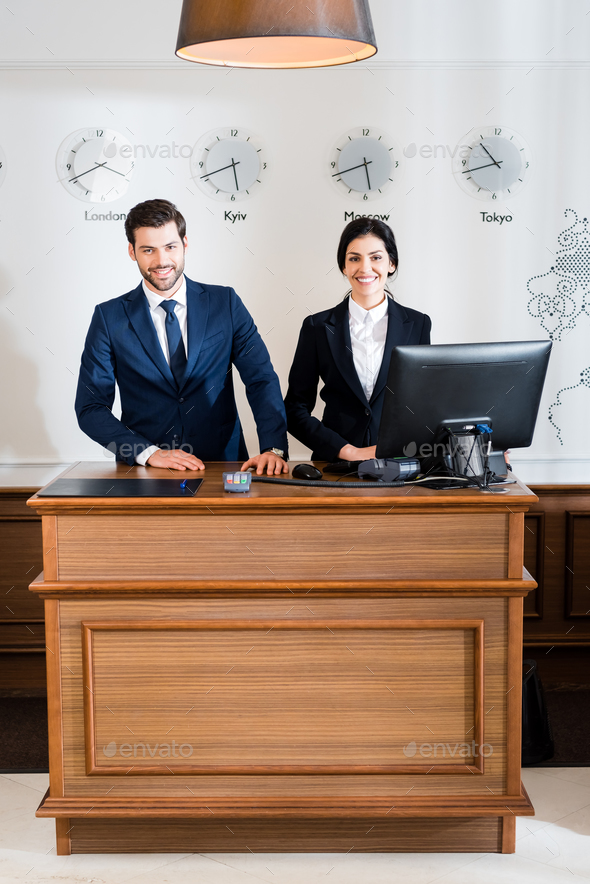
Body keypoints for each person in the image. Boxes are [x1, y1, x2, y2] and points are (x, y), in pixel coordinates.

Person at [75, 199, 288, 474]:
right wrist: (148, 453)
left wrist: (273, 448)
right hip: (146, 472)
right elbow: (91, 407)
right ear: (132, 251)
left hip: (224, 465)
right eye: (148, 250)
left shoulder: (226, 303)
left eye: (170, 247)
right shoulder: (108, 318)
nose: (161, 260)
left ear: (185, 244)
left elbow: (261, 379)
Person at [285, 218, 431, 462]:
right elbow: (294, 409)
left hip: (398, 463)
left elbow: (425, 403)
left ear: (391, 264)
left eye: (376, 257)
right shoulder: (317, 327)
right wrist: (347, 451)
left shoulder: (418, 325)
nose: (365, 268)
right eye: (354, 258)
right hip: (334, 466)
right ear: (344, 266)